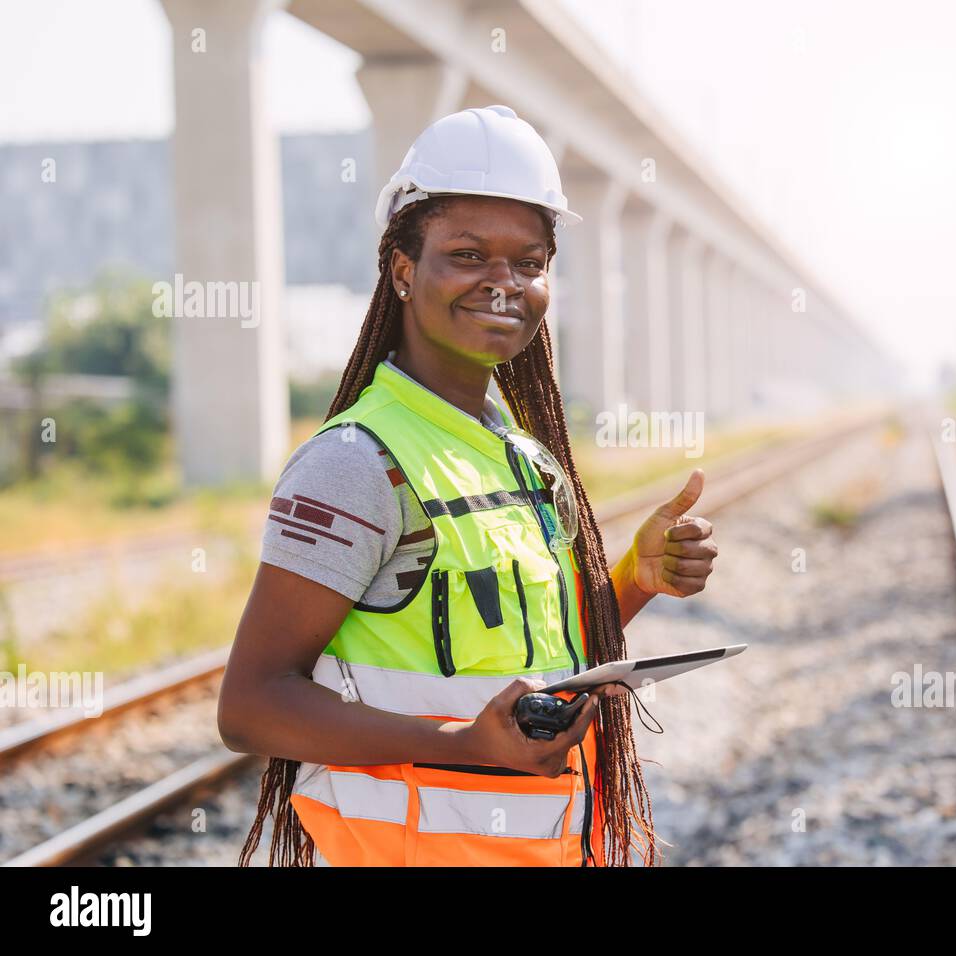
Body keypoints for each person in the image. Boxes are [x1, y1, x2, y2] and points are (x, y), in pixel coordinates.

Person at [217, 105, 718, 867]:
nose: (504, 284)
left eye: (530, 261)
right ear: (403, 268)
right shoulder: (358, 461)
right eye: (469, 254)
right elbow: (251, 705)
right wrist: (462, 746)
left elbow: (528, 672)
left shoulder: (520, 457)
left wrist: (635, 581)